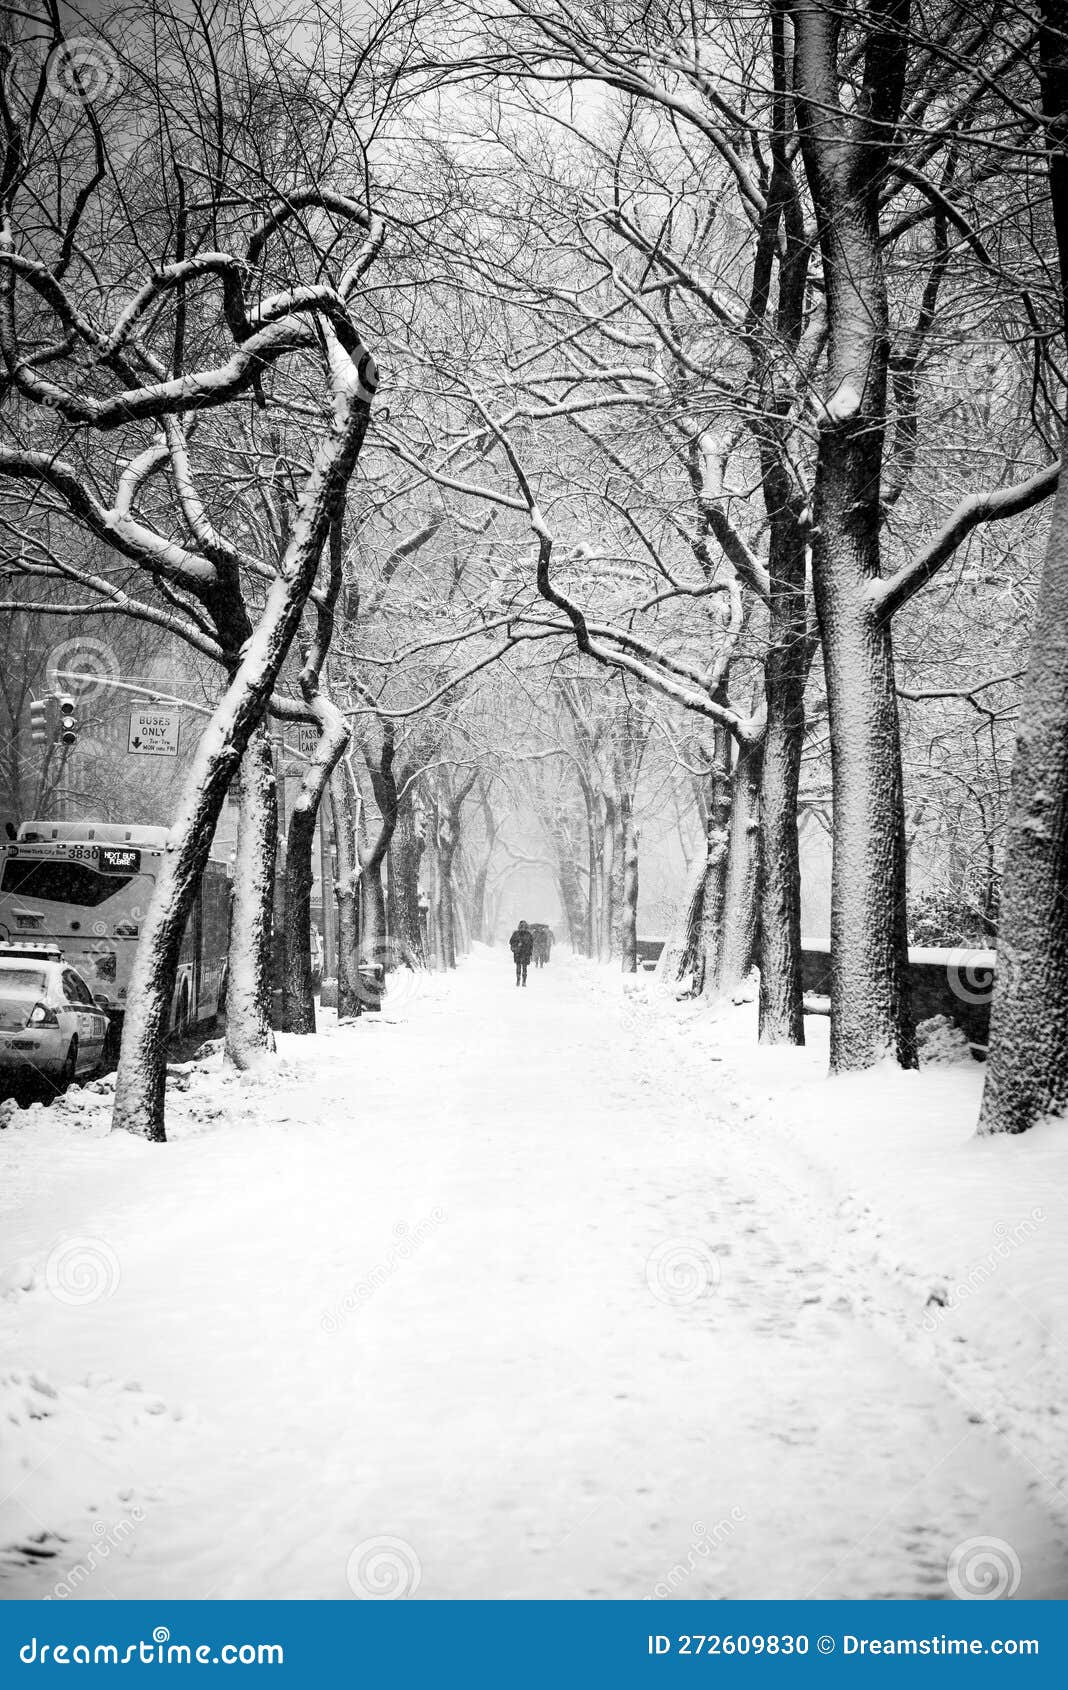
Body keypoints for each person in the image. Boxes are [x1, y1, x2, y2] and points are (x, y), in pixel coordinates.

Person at [509, 919, 534, 987]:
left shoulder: (529, 934)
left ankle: (524, 981)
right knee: (518, 967)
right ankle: (518, 979)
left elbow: (531, 944)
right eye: (522, 926)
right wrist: (517, 944)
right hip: (518, 953)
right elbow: (511, 942)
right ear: (519, 926)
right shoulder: (516, 933)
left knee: (525, 968)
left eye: (524, 926)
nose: (523, 927)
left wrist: (530, 952)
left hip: (525, 953)